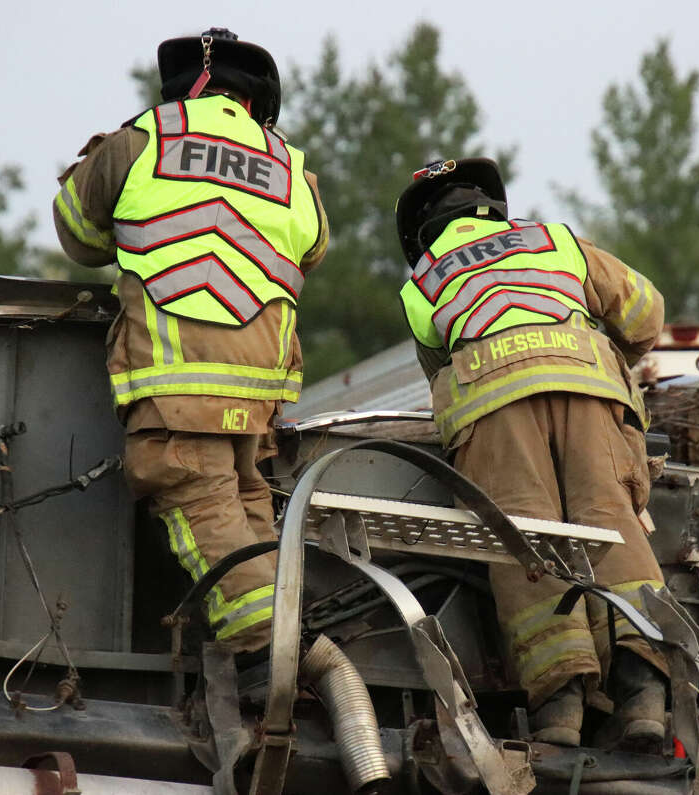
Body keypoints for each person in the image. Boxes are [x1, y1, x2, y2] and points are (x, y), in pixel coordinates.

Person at [53, 28, 328, 653]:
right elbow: (311, 250)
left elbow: (78, 235)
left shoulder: (140, 141)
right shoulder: (293, 166)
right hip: (258, 389)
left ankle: (270, 654)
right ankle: (295, 651)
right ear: (258, 101)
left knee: (198, 504)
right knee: (248, 506)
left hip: (176, 379)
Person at [394, 158, 667, 749]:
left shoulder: (421, 285)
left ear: (423, 234)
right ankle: (644, 695)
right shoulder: (559, 243)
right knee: (611, 524)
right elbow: (647, 315)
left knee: (526, 545)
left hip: (492, 409)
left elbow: (440, 375)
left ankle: (560, 710)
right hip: (587, 389)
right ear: (493, 208)